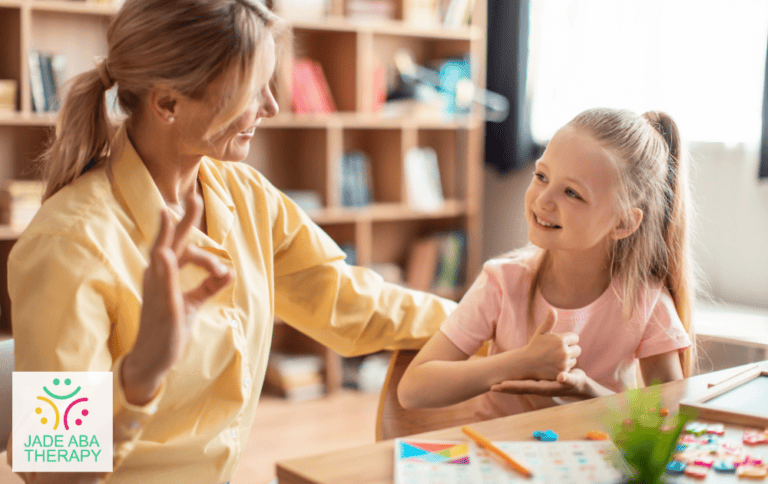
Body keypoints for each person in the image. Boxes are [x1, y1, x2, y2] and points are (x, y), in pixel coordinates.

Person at [6, 1, 457, 483]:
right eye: (250, 90)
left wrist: (480, 324)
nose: (272, 105)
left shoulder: (246, 198)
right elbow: (53, 473)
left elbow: (348, 300)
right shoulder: (69, 243)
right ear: (167, 104)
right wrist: (141, 375)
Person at [398, 107, 696, 420]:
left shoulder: (646, 301)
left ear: (623, 223)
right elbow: (413, 389)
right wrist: (520, 363)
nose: (543, 200)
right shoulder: (501, 281)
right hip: (499, 455)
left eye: (572, 193)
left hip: (594, 460)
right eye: (541, 176)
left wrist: (588, 392)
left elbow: (669, 414)